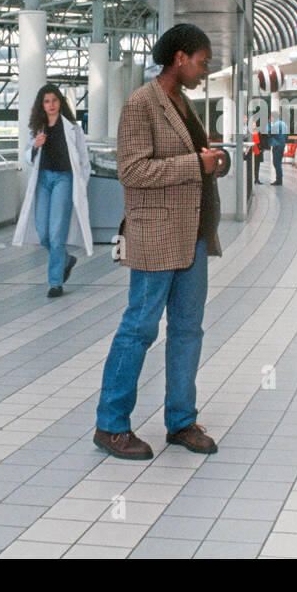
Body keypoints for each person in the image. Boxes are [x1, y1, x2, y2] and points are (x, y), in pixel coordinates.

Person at [94, 23, 228, 461]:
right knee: (138, 329)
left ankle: (181, 421)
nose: (204, 71)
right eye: (202, 62)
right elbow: (131, 171)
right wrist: (195, 164)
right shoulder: (141, 104)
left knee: (188, 331)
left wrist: (215, 161)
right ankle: (111, 425)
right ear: (180, 58)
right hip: (154, 235)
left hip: (192, 235)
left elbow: (196, 163)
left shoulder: (183, 104)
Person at [13, 84, 92, 298]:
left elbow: (84, 160)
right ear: (42, 105)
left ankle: (55, 282)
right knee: (42, 231)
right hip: (43, 181)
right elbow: (27, 157)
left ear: (60, 102)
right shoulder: (37, 128)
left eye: (54, 101)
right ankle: (66, 260)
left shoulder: (73, 128)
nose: (51, 105)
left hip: (64, 180)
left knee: (57, 233)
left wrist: (81, 184)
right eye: (47, 102)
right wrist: (36, 147)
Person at [269, 112, 289, 185]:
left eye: (271, 117)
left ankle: (279, 179)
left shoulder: (275, 125)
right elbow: (286, 135)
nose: (270, 119)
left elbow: (271, 134)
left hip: (277, 145)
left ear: (273, 117)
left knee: (276, 162)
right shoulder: (284, 124)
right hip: (282, 144)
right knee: (278, 162)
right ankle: (279, 178)